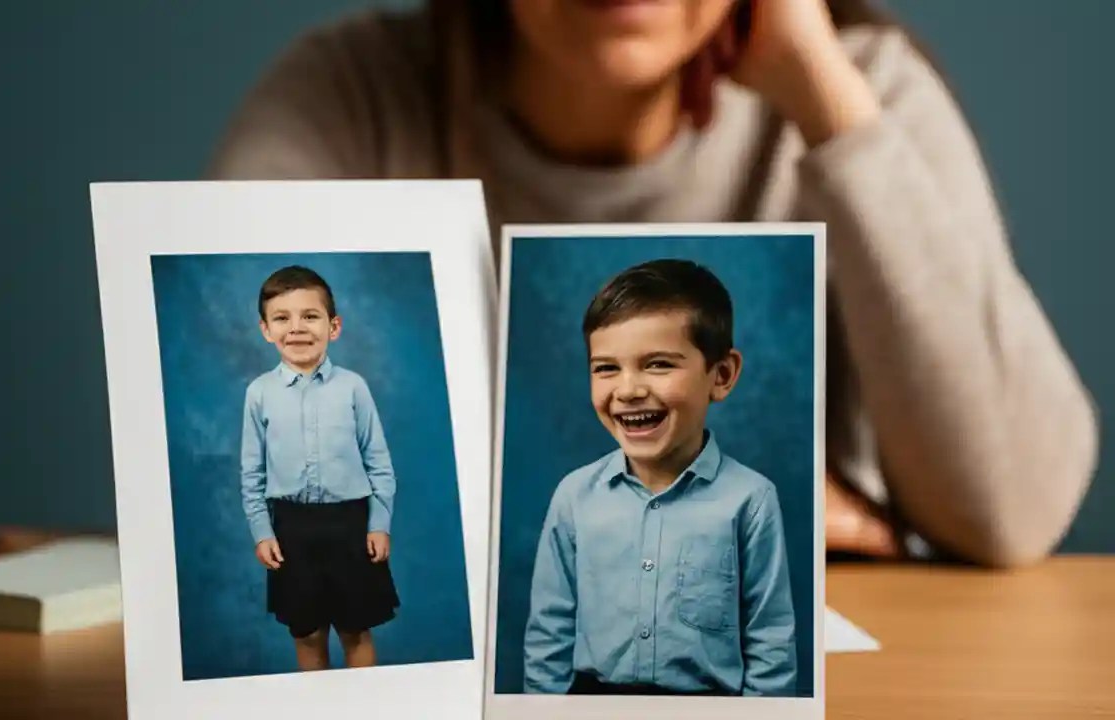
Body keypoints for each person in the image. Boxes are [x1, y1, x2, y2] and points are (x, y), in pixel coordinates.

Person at [208, 0, 1099, 568]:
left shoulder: (858, 91)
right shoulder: (350, 95)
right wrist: (737, 490)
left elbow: (1014, 509)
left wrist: (828, 104)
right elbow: (219, 431)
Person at [523, 259, 796, 696]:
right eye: (606, 368)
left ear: (721, 375)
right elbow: (548, 633)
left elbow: (771, 641)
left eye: (657, 364)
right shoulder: (574, 496)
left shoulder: (752, 499)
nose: (628, 389)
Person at [240, 265, 400, 671]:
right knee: (307, 633)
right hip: (292, 528)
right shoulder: (259, 393)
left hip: (351, 526)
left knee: (355, 630)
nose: (296, 328)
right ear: (265, 329)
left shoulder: (353, 387)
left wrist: (379, 523)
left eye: (310, 316)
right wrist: (262, 530)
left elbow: (378, 461)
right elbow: (252, 472)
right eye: (282, 318)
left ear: (334, 326)